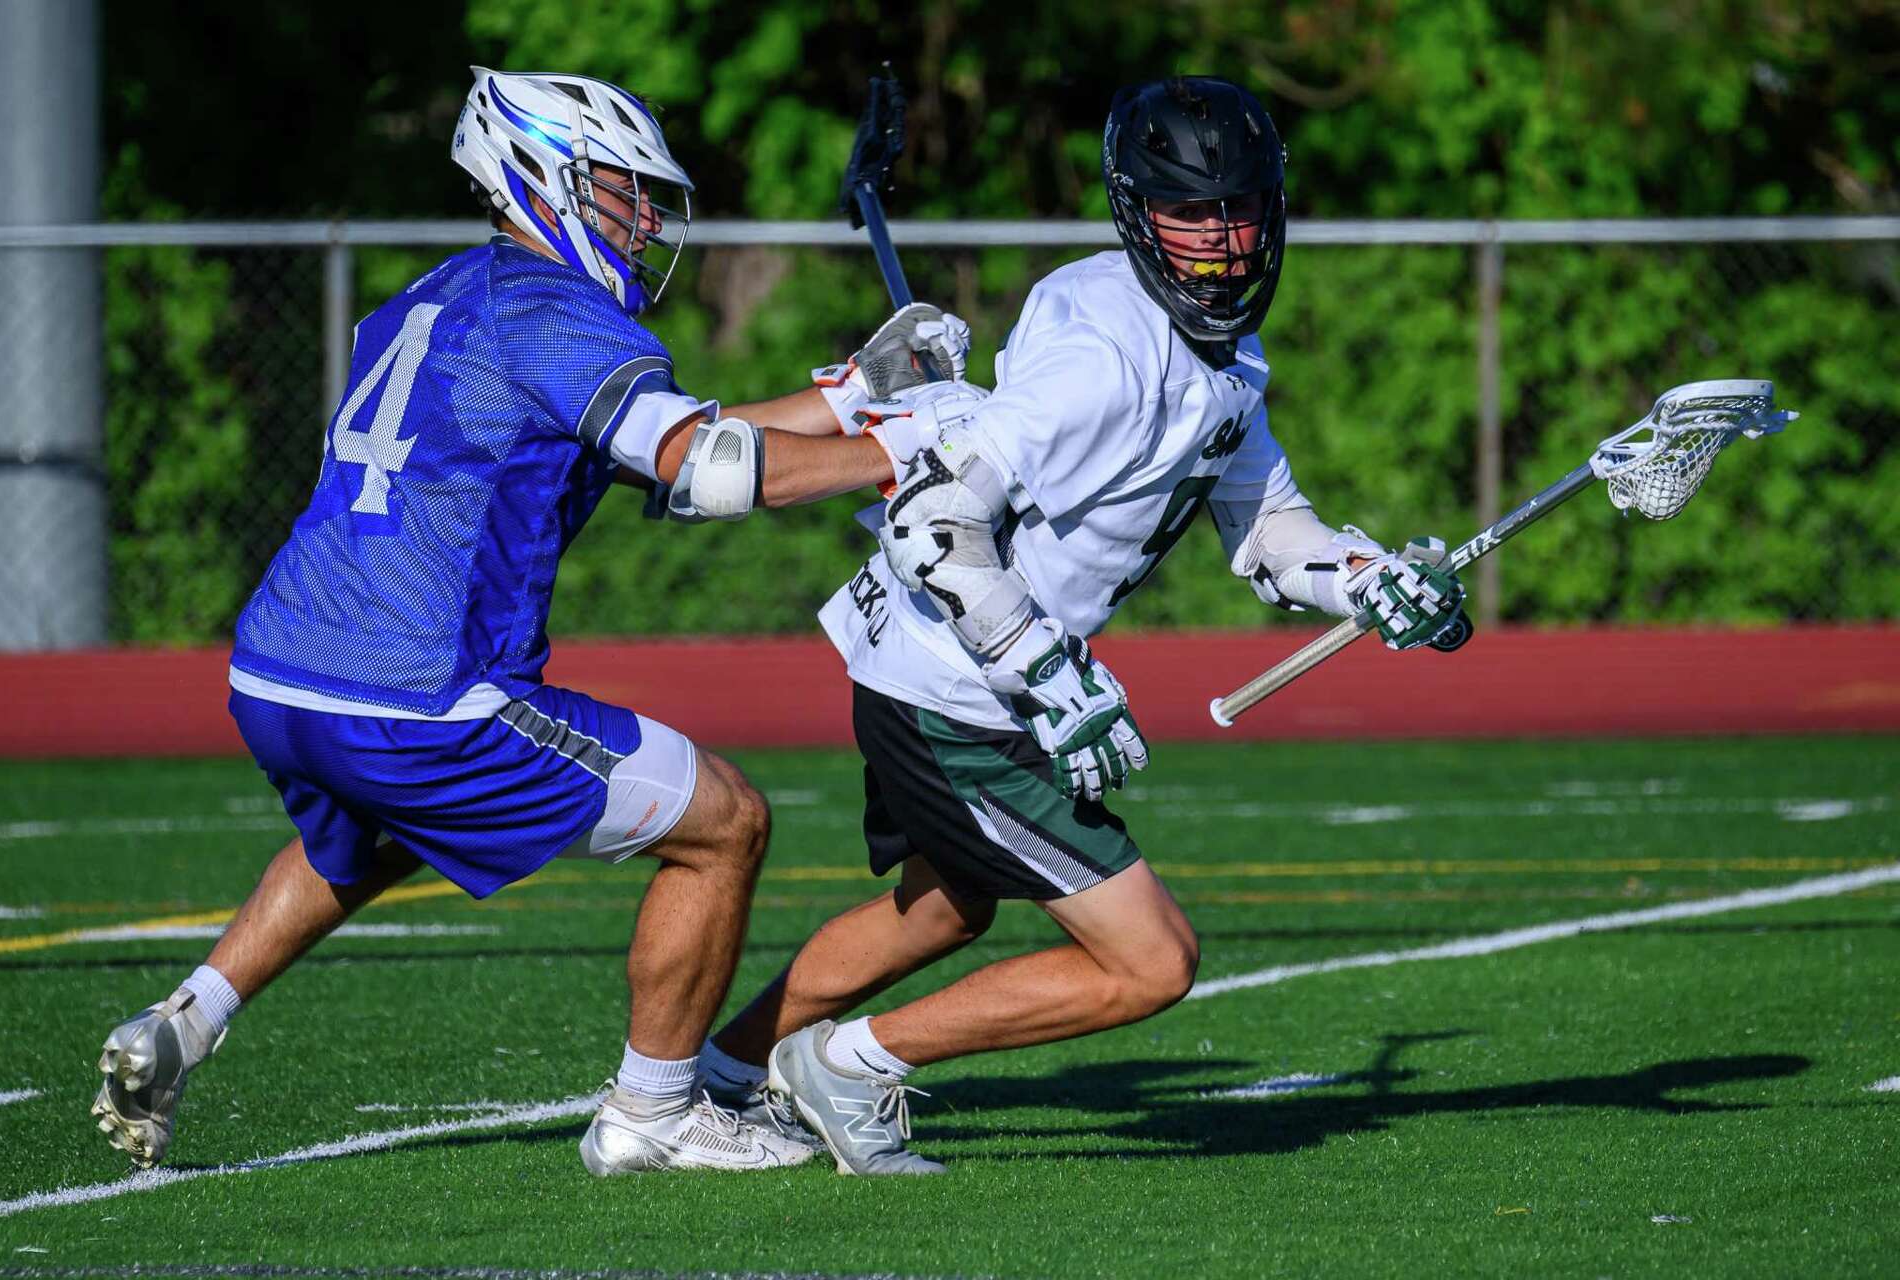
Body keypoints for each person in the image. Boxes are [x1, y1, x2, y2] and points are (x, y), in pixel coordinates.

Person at [89, 66, 968, 1177]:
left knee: (369, 831)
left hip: (281, 672)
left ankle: (190, 1014)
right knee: (725, 823)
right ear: (540, 177)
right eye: (618, 189)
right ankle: (653, 1111)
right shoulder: (552, 309)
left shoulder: (442, 294)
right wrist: (908, 449)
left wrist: (854, 392)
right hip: (418, 687)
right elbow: (703, 467)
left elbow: (663, 441)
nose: (642, 218)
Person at [689, 76, 1475, 1175]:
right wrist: (1047, 670)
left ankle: (718, 1078)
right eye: (1190, 216)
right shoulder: (1106, 358)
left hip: (952, 671)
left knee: (938, 911)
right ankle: (852, 1064)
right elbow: (933, 517)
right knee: (1149, 960)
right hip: (961, 685)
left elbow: (1269, 524)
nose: (1221, 243)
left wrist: (1369, 577)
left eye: (1239, 211)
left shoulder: (1226, 359)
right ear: (1135, 210)